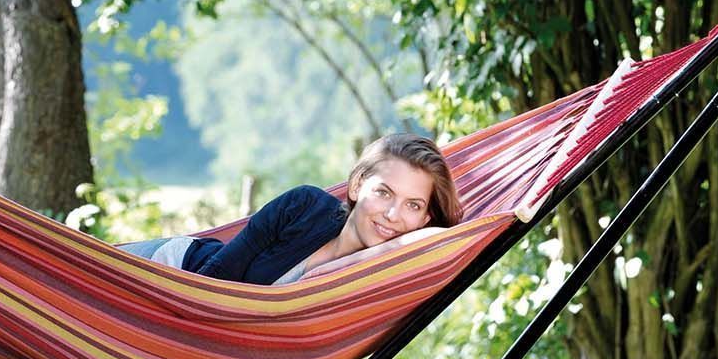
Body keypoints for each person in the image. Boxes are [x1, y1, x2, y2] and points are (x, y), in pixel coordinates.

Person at [124, 134, 463, 286]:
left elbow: (437, 239)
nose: (392, 215)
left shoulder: (384, 275)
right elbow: (213, 282)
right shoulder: (305, 207)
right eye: (384, 193)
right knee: (72, 288)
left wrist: (388, 248)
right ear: (358, 185)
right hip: (175, 270)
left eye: (413, 205)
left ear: (425, 218)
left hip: (190, 311)